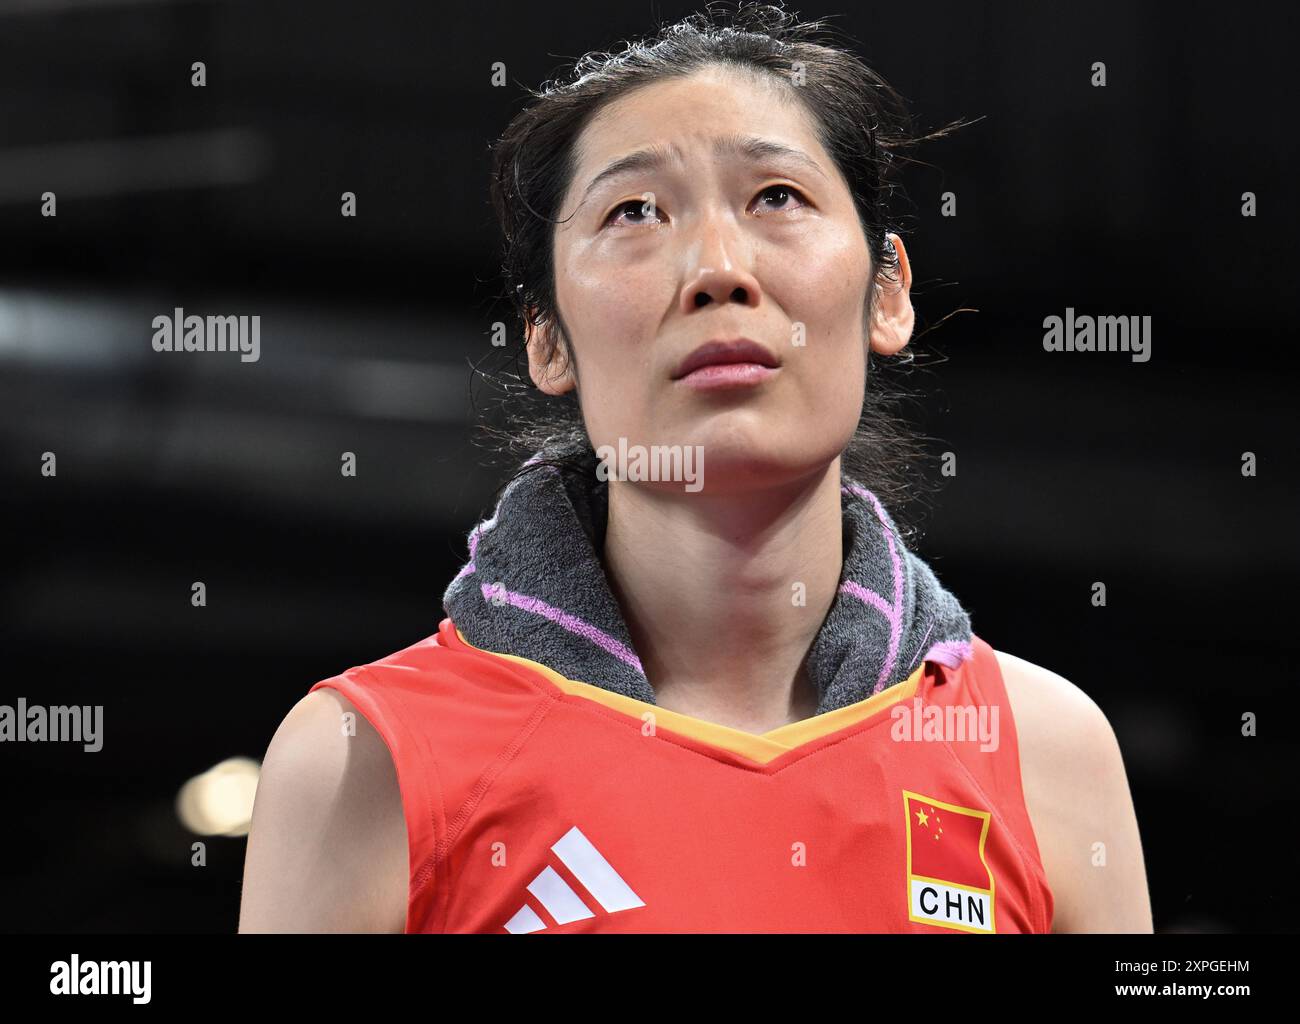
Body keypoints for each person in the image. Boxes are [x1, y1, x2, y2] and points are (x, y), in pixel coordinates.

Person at [238, 3, 1152, 934]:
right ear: (547, 340)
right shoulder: (367, 761)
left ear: (888, 292)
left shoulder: (1044, 753)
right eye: (633, 212)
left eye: (776, 198)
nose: (718, 268)